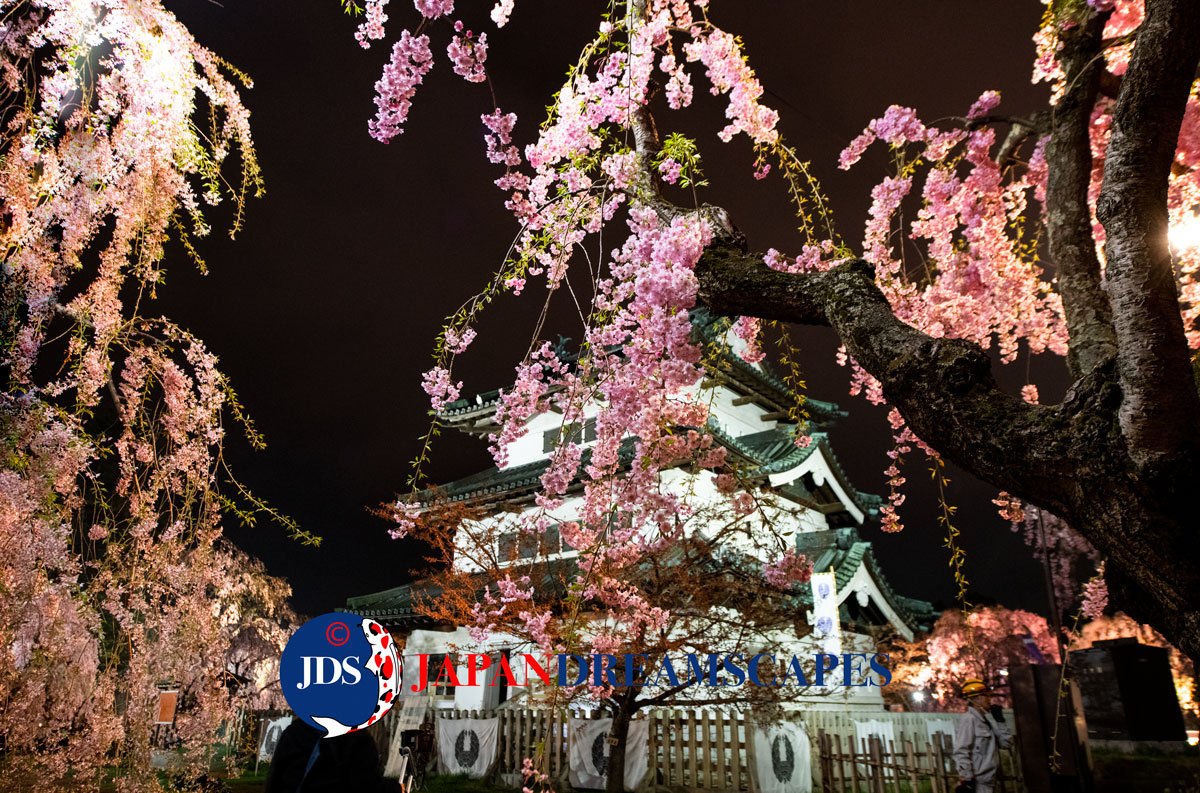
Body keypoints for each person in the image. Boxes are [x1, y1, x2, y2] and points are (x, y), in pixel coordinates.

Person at [265, 718, 402, 793]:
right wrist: (394, 788)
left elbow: (274, 782)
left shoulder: (294, 731)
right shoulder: (355, 738)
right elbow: (366, 786)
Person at [952, 678, 1012, 793]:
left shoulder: (985, 722)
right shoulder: (969, 720)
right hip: (978, 784)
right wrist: (967, 780)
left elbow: (1006, 743)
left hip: (991, 782)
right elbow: (961, 751)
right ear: (977, 698)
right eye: (986, 696)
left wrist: (1000, 721)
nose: (989, 700)